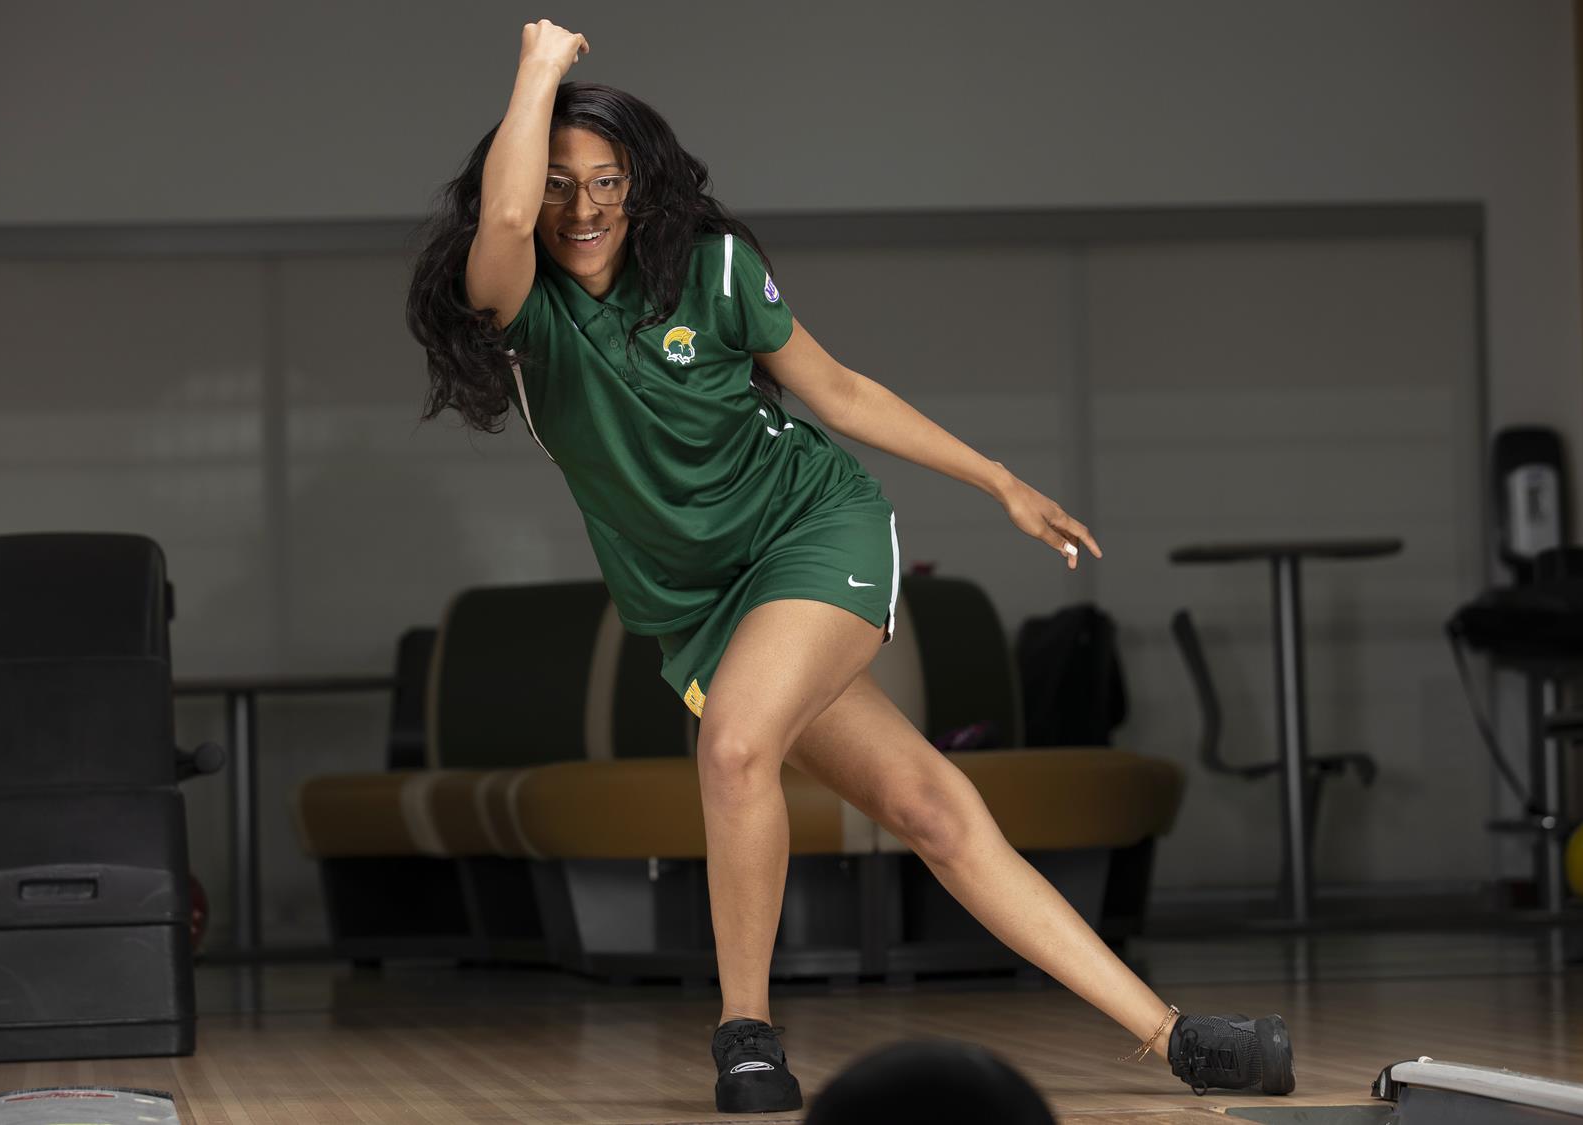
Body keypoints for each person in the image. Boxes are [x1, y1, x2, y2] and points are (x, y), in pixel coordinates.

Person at [407, 20, 1296, 1115]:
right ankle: (1175, 1036)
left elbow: (838, 393)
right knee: (929, 806)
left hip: (810, 528)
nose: (582, 208)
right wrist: (539, 67)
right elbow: (502, 220)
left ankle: (743, 1034)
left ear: (641, 191)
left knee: (735, 745)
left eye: (607, 183)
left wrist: (999, 481)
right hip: (696, 604)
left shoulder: (713, 270)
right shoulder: (521, 310)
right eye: (557, 184)